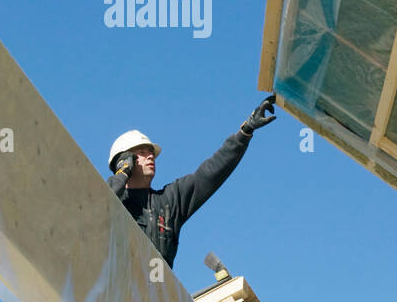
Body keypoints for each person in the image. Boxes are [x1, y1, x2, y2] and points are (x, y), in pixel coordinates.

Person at [105, 94, 276, 268]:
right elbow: (96, 205)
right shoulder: (113, 202)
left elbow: (210, 172)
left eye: (151, 152)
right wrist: (122, 173)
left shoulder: (169, 201)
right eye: (141, 152)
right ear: (123, 160)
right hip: (121, 287)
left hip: (158, 290)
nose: (150, 156)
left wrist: (245, 132)